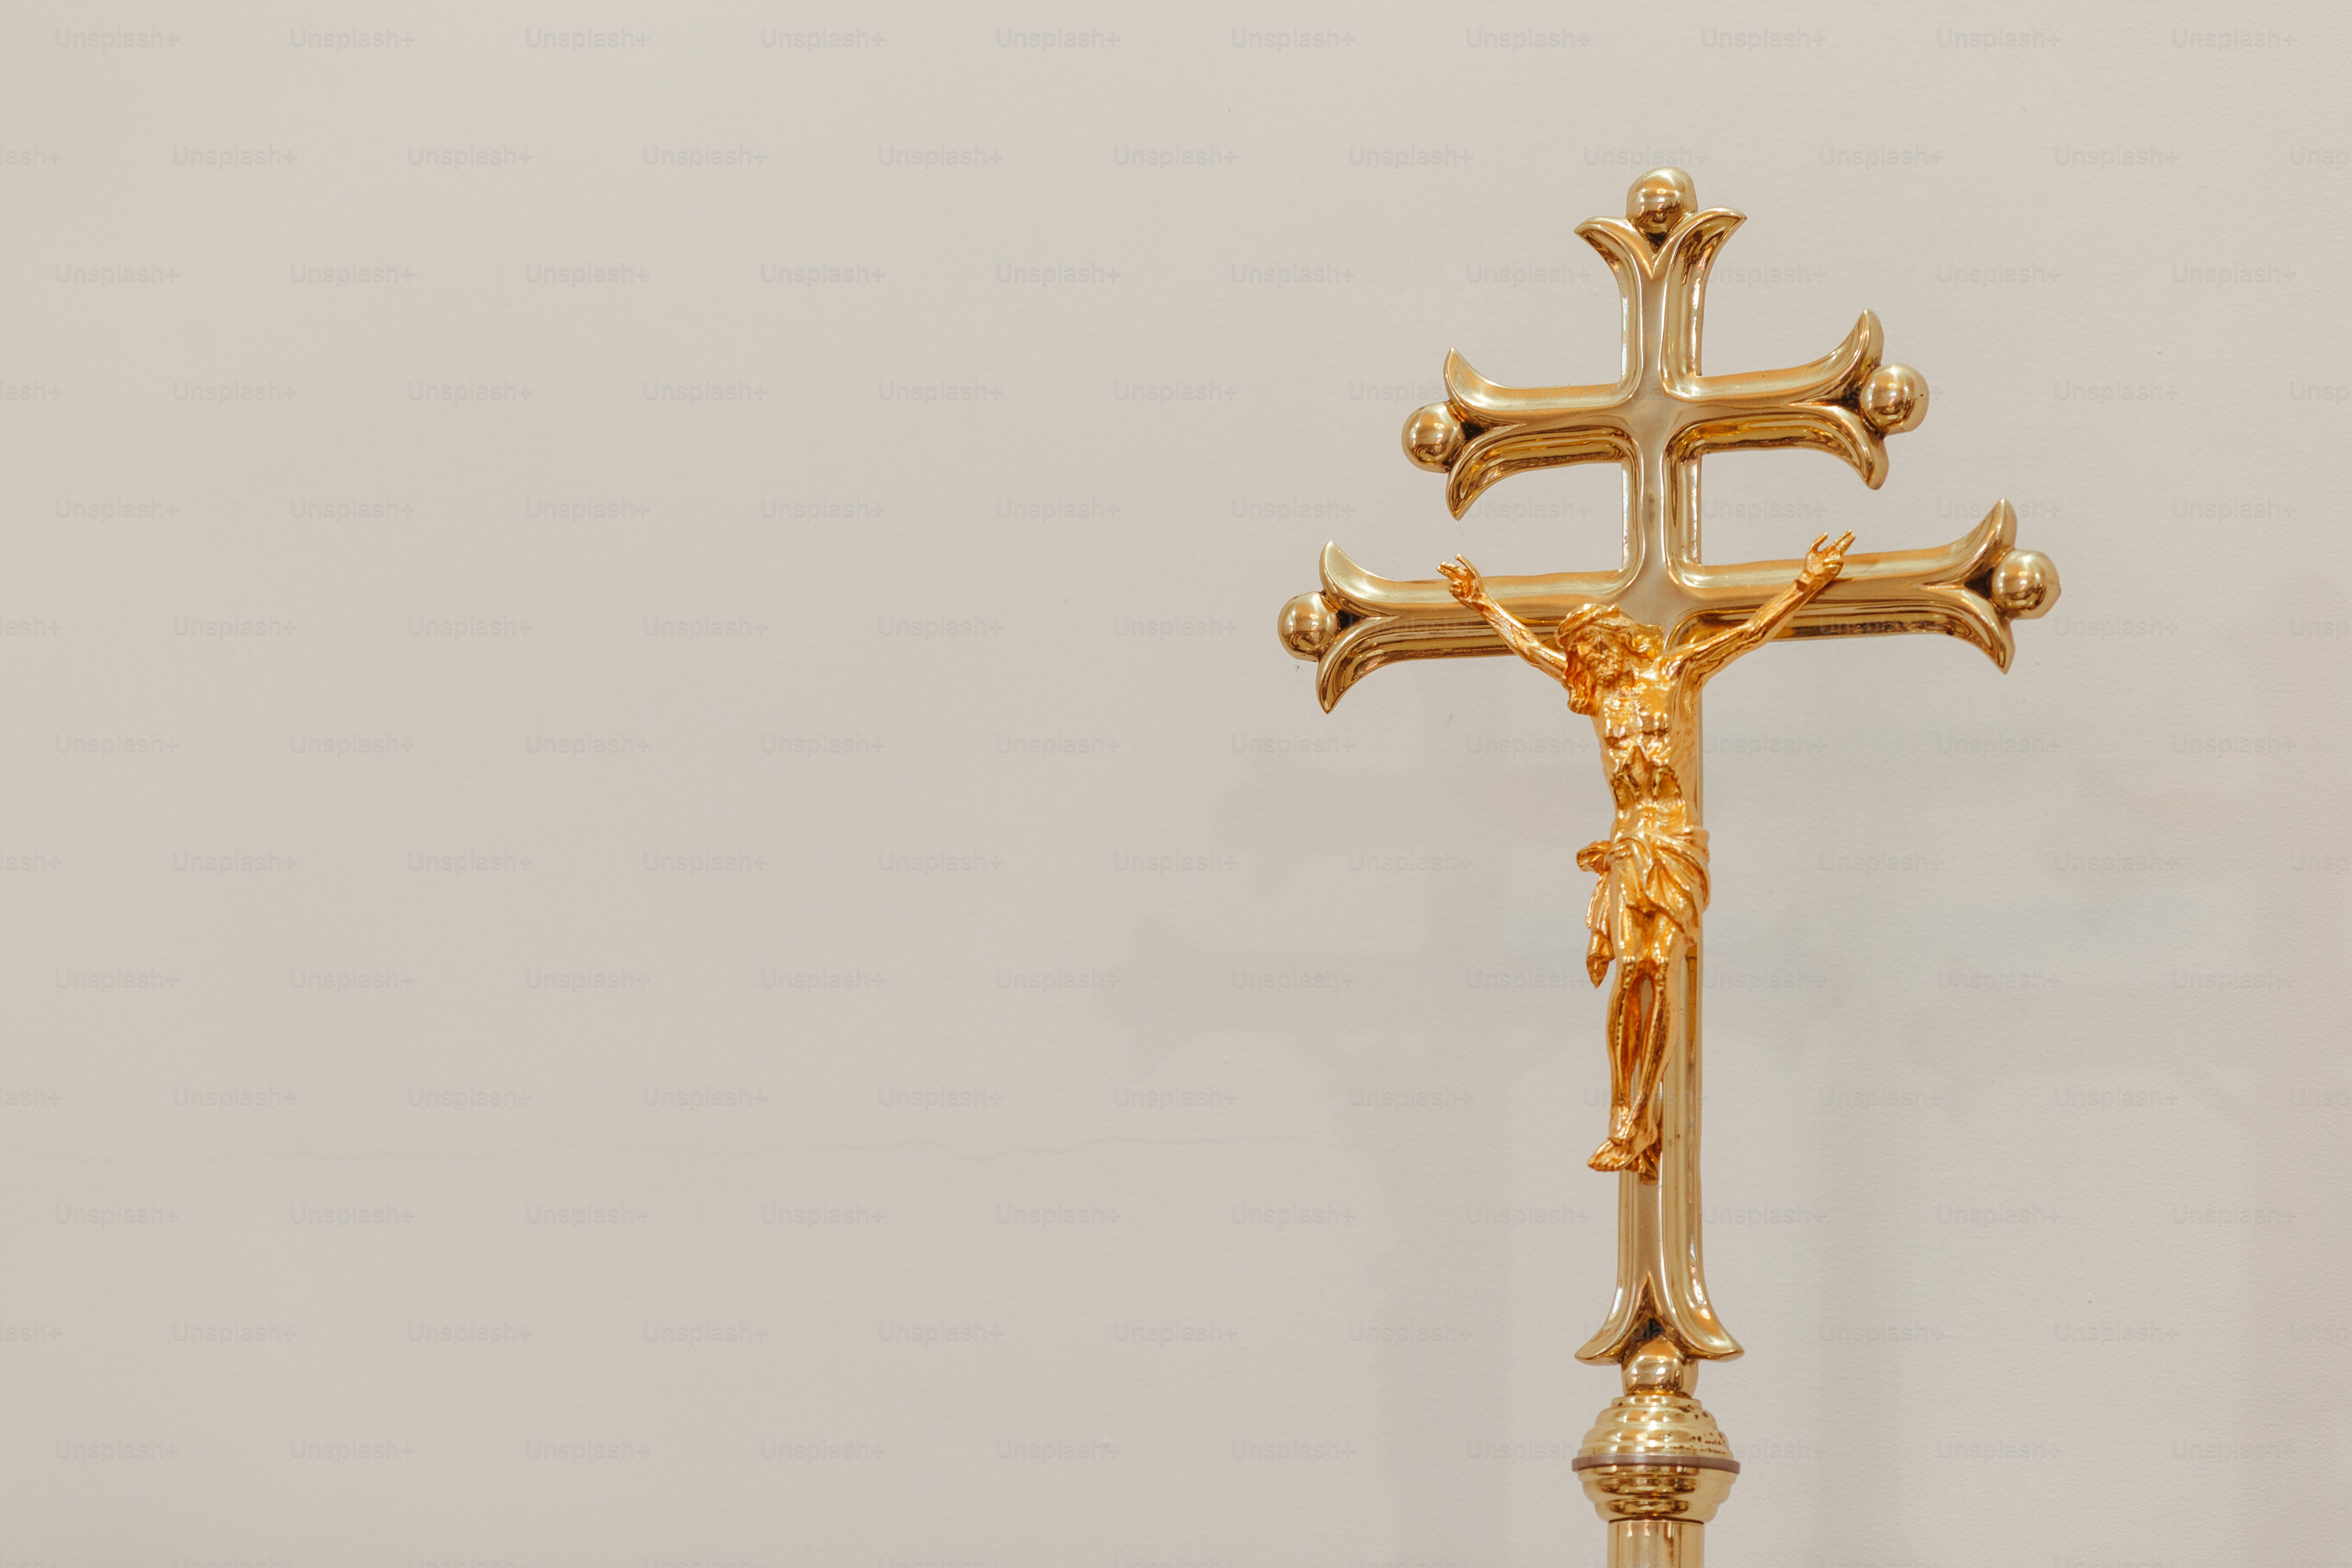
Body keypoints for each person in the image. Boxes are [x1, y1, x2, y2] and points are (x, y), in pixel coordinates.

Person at [1438, 533, 1853, 1178]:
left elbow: (1745, 635)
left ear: (1618, 640)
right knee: (1631, 975)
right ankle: (1627, 1115)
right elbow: (1530, 650)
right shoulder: (1603, 699)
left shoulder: (1677, 673)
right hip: (1629, 844)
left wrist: (1805, 583)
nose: (1584, 660)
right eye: (1580, 653)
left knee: (1661, 969)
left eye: (1593, 647)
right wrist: (1482, 602)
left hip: (1675, 840)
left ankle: (1640, 1116)